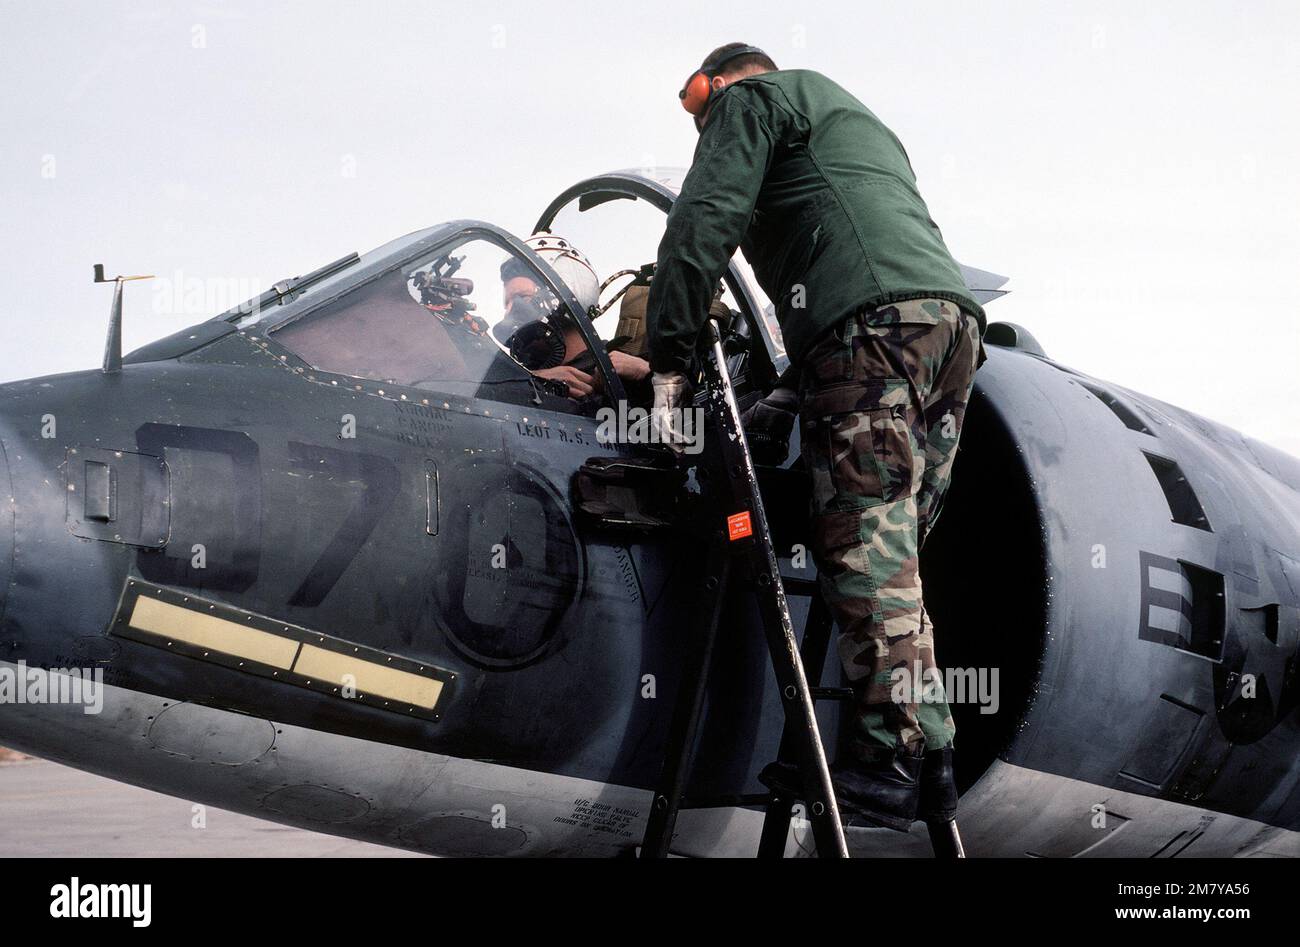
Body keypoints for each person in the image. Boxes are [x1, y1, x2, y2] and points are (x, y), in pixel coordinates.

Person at [645, 43, 987, 833]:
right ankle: (930, 759)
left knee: (863, 541)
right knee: (895, 547)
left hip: (867, 328)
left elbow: (704, 221)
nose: (702, 121)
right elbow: (855, 243)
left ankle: (887, 760)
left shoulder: (751, 100)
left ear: (723, 79)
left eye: (698, 102)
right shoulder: (848, 118)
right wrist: (792, 390)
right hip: (948, 330)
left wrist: (669, 357)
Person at [499, 233, 652, 402]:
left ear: (560, 294)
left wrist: (647, 375)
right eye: (507, 304)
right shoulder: (519, 381)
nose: (509, 313)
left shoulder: (627, 371)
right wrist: (531, 382)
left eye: (522, 297)